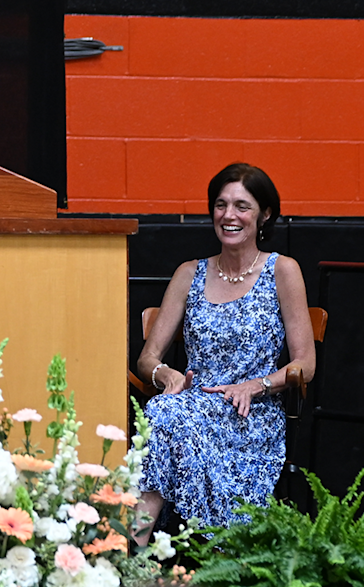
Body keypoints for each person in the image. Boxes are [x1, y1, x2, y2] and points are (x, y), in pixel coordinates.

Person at [134, 163, 316, 536]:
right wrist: (165, 374)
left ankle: (133, 541)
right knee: (166, 412)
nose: (229, 215)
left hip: (251, 413)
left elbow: (306, 363)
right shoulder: (189, 273)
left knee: (162, 418)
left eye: (241, 206)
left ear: (265, 214)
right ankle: (185, 546)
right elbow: (146, 359)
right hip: (190, 404)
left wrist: (257, 385)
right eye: (221, 205)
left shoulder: (282, 270)